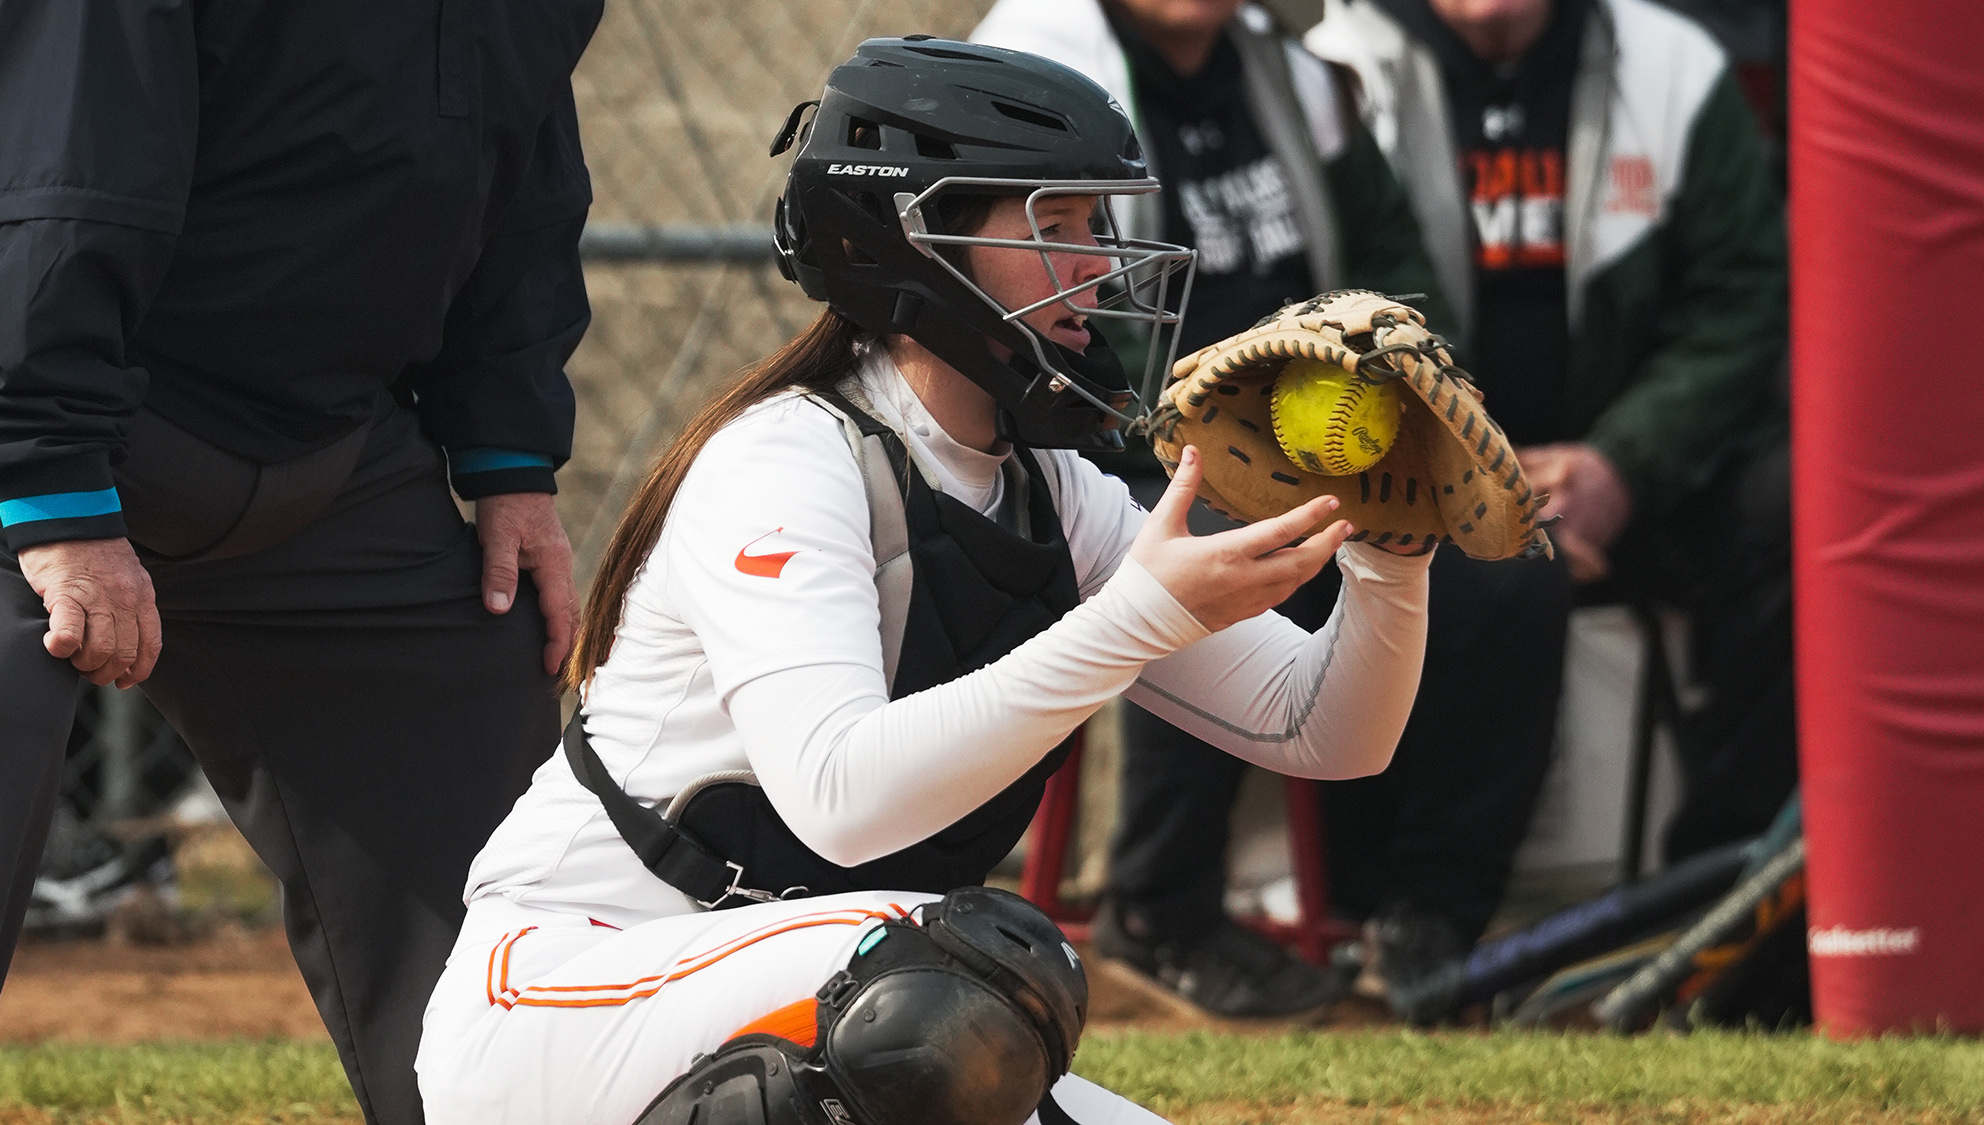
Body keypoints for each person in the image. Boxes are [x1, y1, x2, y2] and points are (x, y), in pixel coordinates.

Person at [412, 38, 1432, 1125]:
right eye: (1055, 227)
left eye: (1098, 227)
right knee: (951, 981)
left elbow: (1328, 731)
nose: (1098, 266)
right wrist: (1134, 621)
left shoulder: (1053, 489)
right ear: (911, 236)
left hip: (820, 999)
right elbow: (843, 801)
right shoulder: (788, 457)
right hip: (568, 999)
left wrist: (1390, 556)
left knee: (950, 994)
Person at [0, 3, 602, 1121]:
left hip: (318, 450)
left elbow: (520, 170)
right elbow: (55, 180)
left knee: (498, 849)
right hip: (13, 426)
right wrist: (57, 494)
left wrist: (510, 459)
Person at [971, 0, 1461, 1017]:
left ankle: (1423, 916)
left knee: (1489, 568)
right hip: (1132, 438)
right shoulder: (1036, 55)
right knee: (1197, 546)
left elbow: (1395, 265)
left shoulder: (1294, 78)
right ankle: (1160, 907)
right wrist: (1200, 434)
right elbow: (1028, 306)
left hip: (1317, 445)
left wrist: (1415, 396)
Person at [1305, 0, 1791, 1017]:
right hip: (1412, 469)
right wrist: (1465, 471)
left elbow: (1740, 302)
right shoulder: (1325, 74)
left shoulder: (1673, 66)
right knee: (1413, 562)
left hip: (1626, 472)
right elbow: (1313, 308)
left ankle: (1717, 914)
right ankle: (1405, 923)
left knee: (1793, 514)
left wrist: (1624, 463)